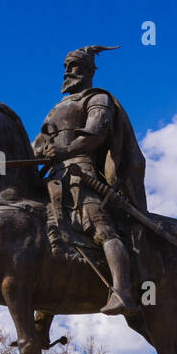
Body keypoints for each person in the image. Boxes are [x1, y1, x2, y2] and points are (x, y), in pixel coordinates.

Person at [33, 45, 147, 314]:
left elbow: (95, 135)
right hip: (53, 179)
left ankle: (122, 291)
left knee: (99, 226)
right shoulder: (55, 109)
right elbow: (38, 146)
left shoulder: (97, 99)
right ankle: (41, 317)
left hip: (80, 174)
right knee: (39, 237)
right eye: (66, 67)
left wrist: (65, 150)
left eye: (74, 67)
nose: (68, 72)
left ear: (89, 71)